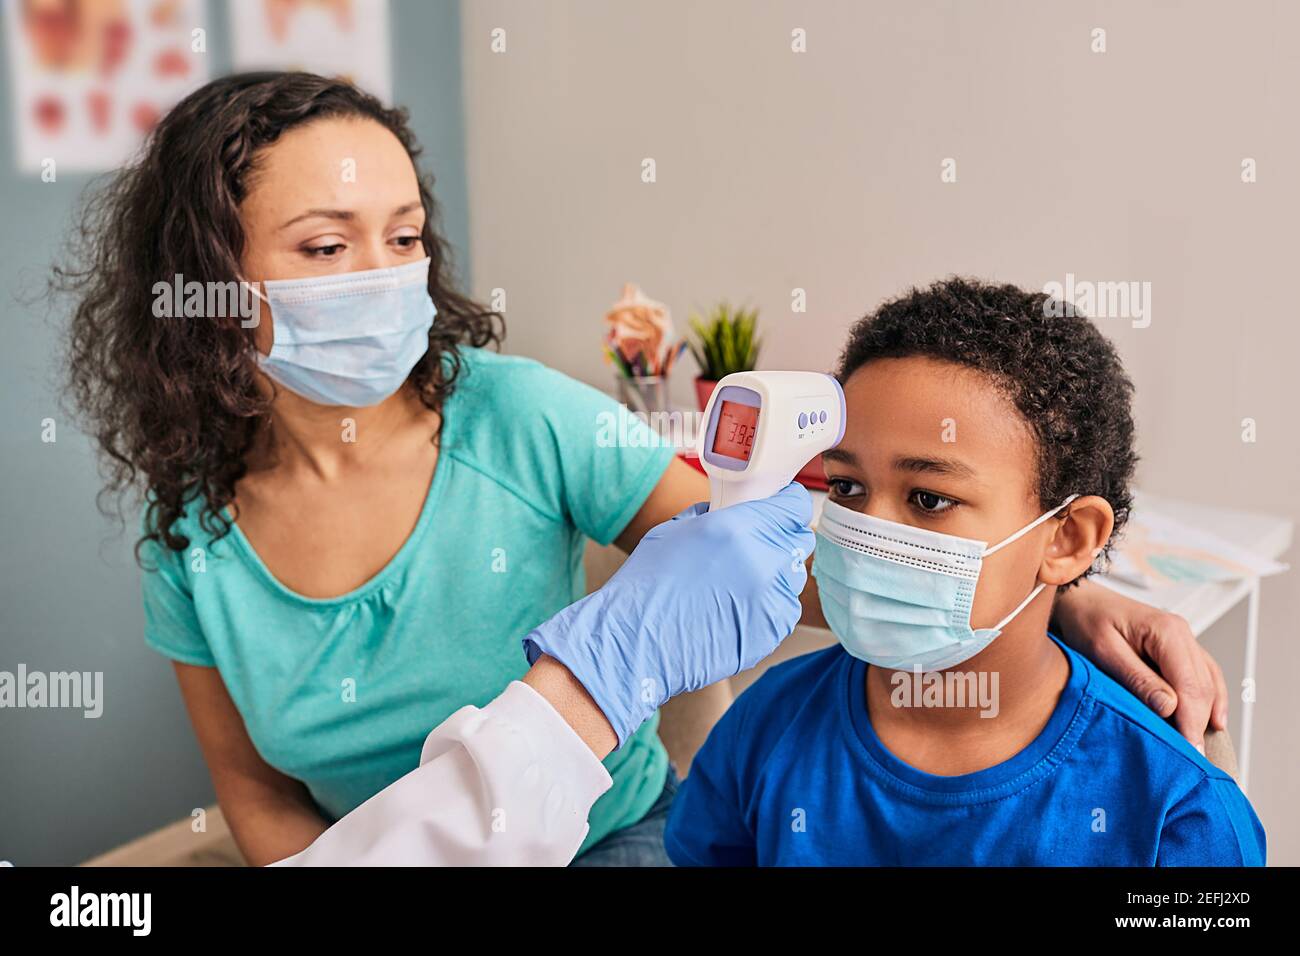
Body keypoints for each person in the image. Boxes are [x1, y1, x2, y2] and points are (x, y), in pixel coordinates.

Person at [59, 70, 1227, 868]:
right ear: (209, 285)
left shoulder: (518, 417)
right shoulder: (190, 539)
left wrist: (1055, 594)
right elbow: (256, 794)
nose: (387, 274)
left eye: (406, 235)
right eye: (326, 245)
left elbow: (779, 569)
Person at [664, 278, 1265, 866]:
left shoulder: (1175, 812)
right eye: (847, 487)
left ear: (1067, 537)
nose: (868, 532)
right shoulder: (766, 726)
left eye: (928, 498)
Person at [275, 484, 813, 866]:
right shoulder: (195, 530)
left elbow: (742, 554)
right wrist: (602, 671)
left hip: (620, 826)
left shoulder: (526, 412)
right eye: (844, 486)